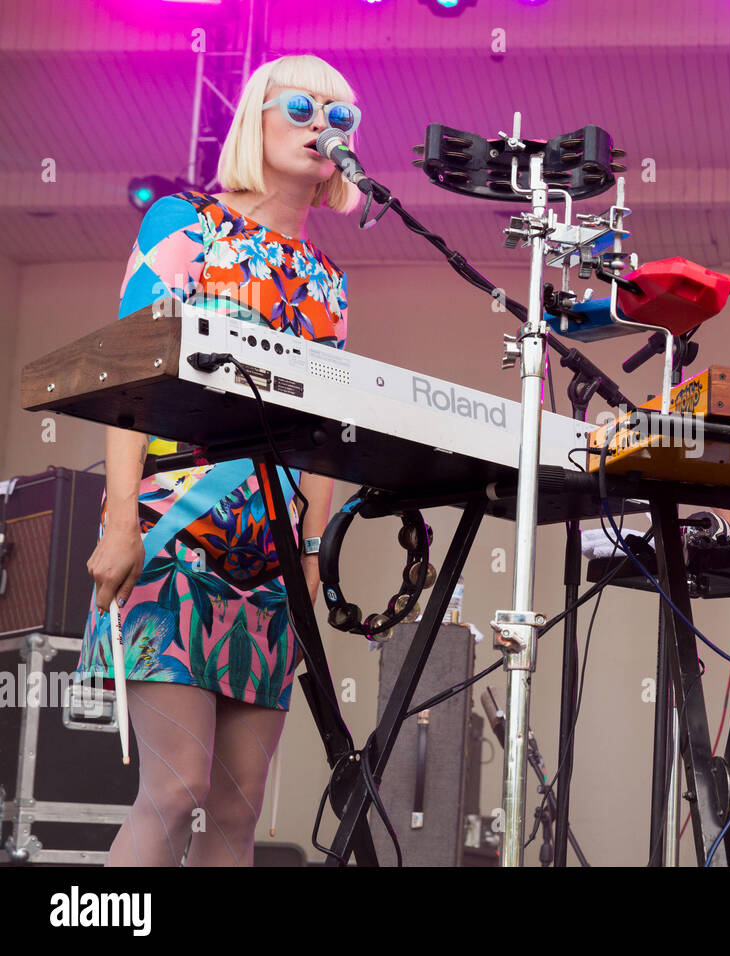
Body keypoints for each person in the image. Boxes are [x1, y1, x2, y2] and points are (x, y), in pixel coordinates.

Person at [75, 54, 360, 866]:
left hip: (269, 559)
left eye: (342, 118)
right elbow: (125, 371)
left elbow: (323, 423)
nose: (322, 127)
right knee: (175, 791)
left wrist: (313, 548)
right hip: (174, 533)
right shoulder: (184, 224)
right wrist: (121, 521)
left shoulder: (330, 280)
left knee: (238, 811)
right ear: (255, 117)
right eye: (302, 106)